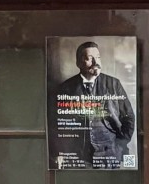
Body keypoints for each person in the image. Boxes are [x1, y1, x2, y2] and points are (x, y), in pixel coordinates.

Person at [52, 40, 135, 168]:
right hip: (80, 158)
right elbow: (57, 124)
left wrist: (120, 145)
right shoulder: (66, 88)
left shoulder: (114, 84)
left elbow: (129, 117)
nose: (96, 63)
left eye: (98, 57)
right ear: (79, 63)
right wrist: (60, 152)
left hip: (109, 155)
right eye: (90, 58)